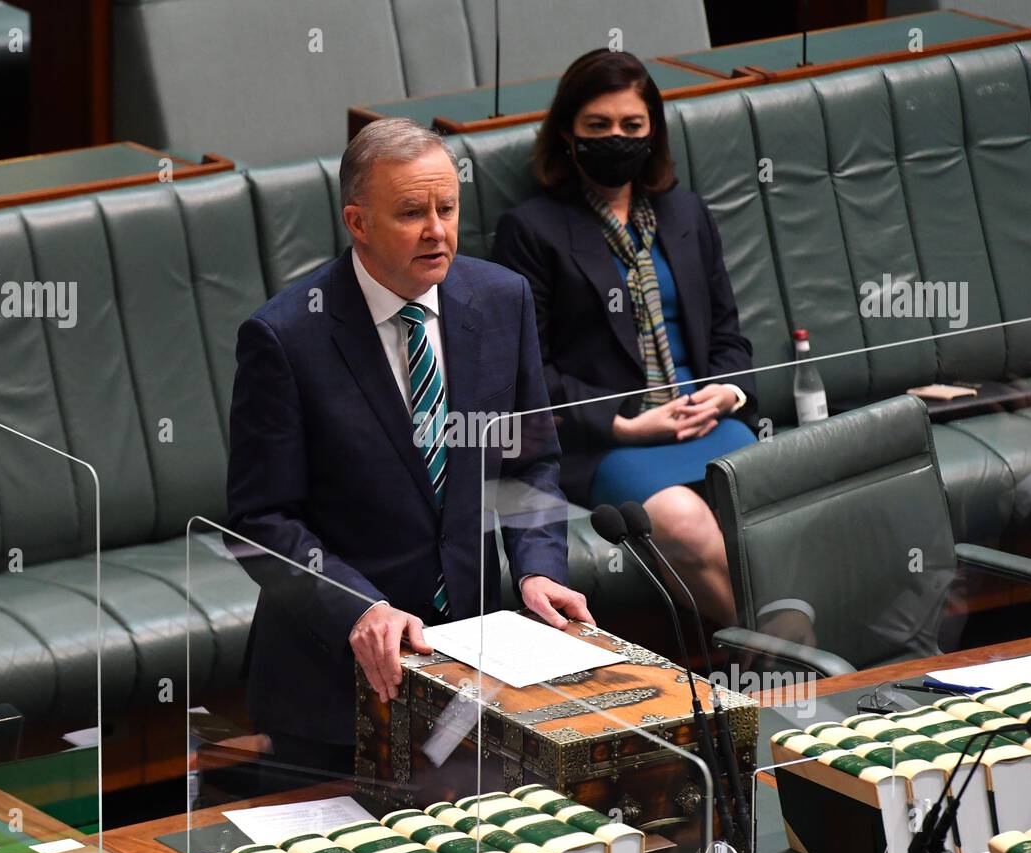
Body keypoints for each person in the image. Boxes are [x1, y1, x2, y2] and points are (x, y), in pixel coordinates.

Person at [226, 118, 593, 777]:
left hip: (473, 669)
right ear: (358, 222)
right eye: (411, 213)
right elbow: (260, 523)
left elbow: (528, 461)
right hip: (336, 689)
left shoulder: (500, 299)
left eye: (447, 208)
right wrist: (361, 606)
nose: (438, 231)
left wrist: (538, 567)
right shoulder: (285, 338)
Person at [493, 49, 756, 627]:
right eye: (598, 127)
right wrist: (622, 424)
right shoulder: (531, 230)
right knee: (687, 525)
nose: (617, 138)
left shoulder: (685, 213)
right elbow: (529, 373)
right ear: (567, 133)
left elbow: (730, 340)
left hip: (708, 419)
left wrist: (728, 393)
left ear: (652, 132)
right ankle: (801, 663)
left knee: (786, 515)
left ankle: (794, 659)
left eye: (631, 126)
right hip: (609, 441)